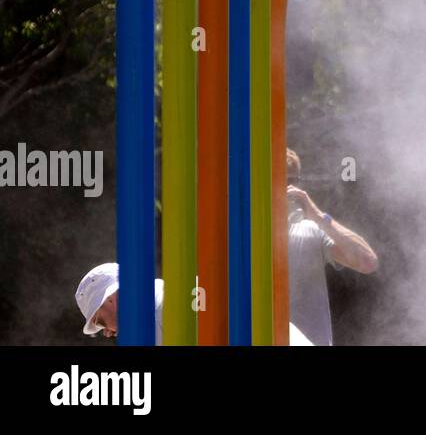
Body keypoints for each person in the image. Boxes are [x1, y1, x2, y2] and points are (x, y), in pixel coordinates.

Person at [75, 263, 315, 344]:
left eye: (99, 320)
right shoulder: (166, 294)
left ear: (111, 298)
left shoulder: (157, 315)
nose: (106, 332)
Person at [286, 148, 379, 346]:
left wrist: (318, 216)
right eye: (282, 181)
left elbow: (367, 262)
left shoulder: (310, 229)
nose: (287, 189)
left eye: (292, 182)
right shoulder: (243, 233)